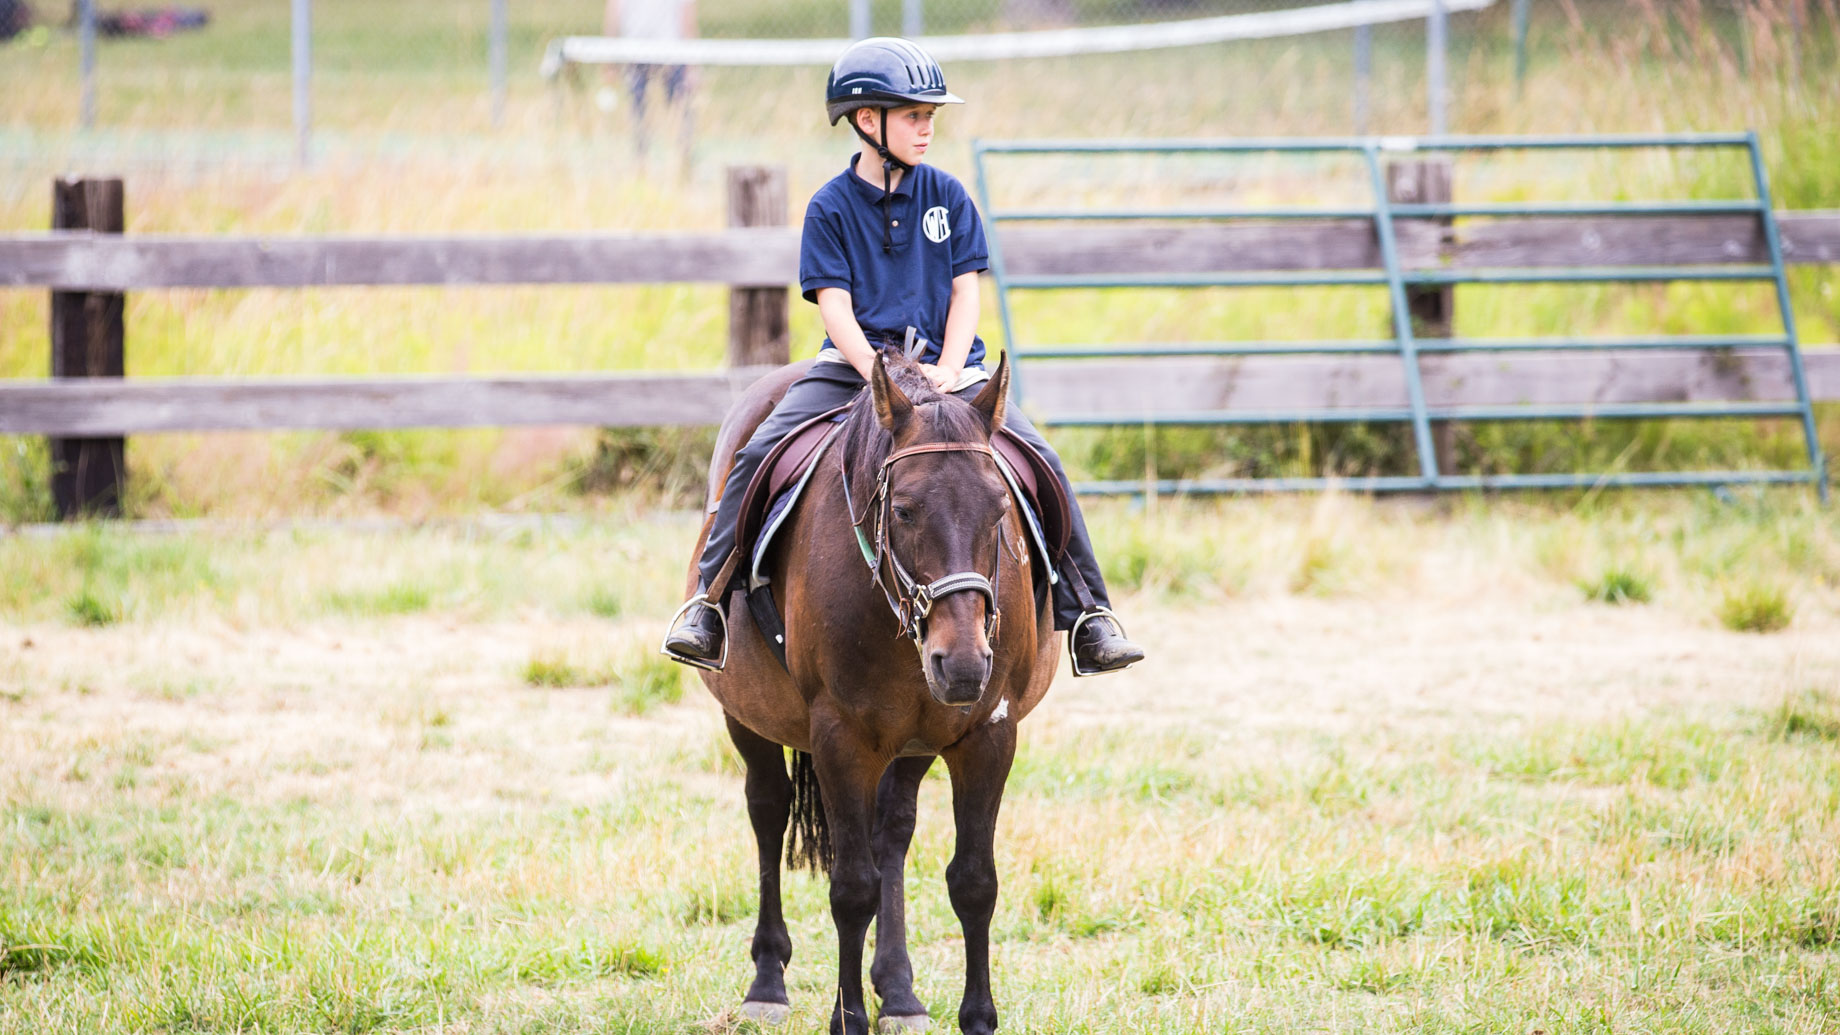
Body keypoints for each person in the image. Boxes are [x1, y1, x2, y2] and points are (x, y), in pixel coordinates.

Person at [663, 36, 1144, 677]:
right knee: (757, 457)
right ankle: (709, 602)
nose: (927, 128)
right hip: (853, 370)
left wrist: (949, 367)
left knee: (1042, 461)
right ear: (868, 120)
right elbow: (833, 305)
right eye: (915, 115)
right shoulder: (829, 207)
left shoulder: (948, 194)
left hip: (949, 370)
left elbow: (963, 288)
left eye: (931, 117)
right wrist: (880, 378)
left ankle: (1088, 612)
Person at [600, 0, 697, 164]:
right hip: (638, 53)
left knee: (679, 109)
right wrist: (609, 60)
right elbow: (613, 13)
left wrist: (693, 64)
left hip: (672, 52)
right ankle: (642, 160)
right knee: (639, 111)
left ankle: (682, 159)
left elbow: (687, 17)